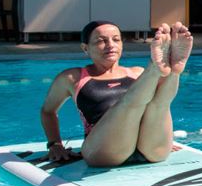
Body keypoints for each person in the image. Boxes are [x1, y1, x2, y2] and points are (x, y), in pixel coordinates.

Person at [39, 21, 193, 167]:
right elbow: (48, 111)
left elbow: (161, 105)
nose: (110, 45)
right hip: (104, 151)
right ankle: (156, 66)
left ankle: (175, 70)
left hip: (150, 150)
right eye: (101, 41)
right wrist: (55, 144)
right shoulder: (73, 78)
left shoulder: (137, 73)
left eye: (116, 40)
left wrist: (161, 135)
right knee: (128, 104)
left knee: (160, 104)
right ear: (85, 48)